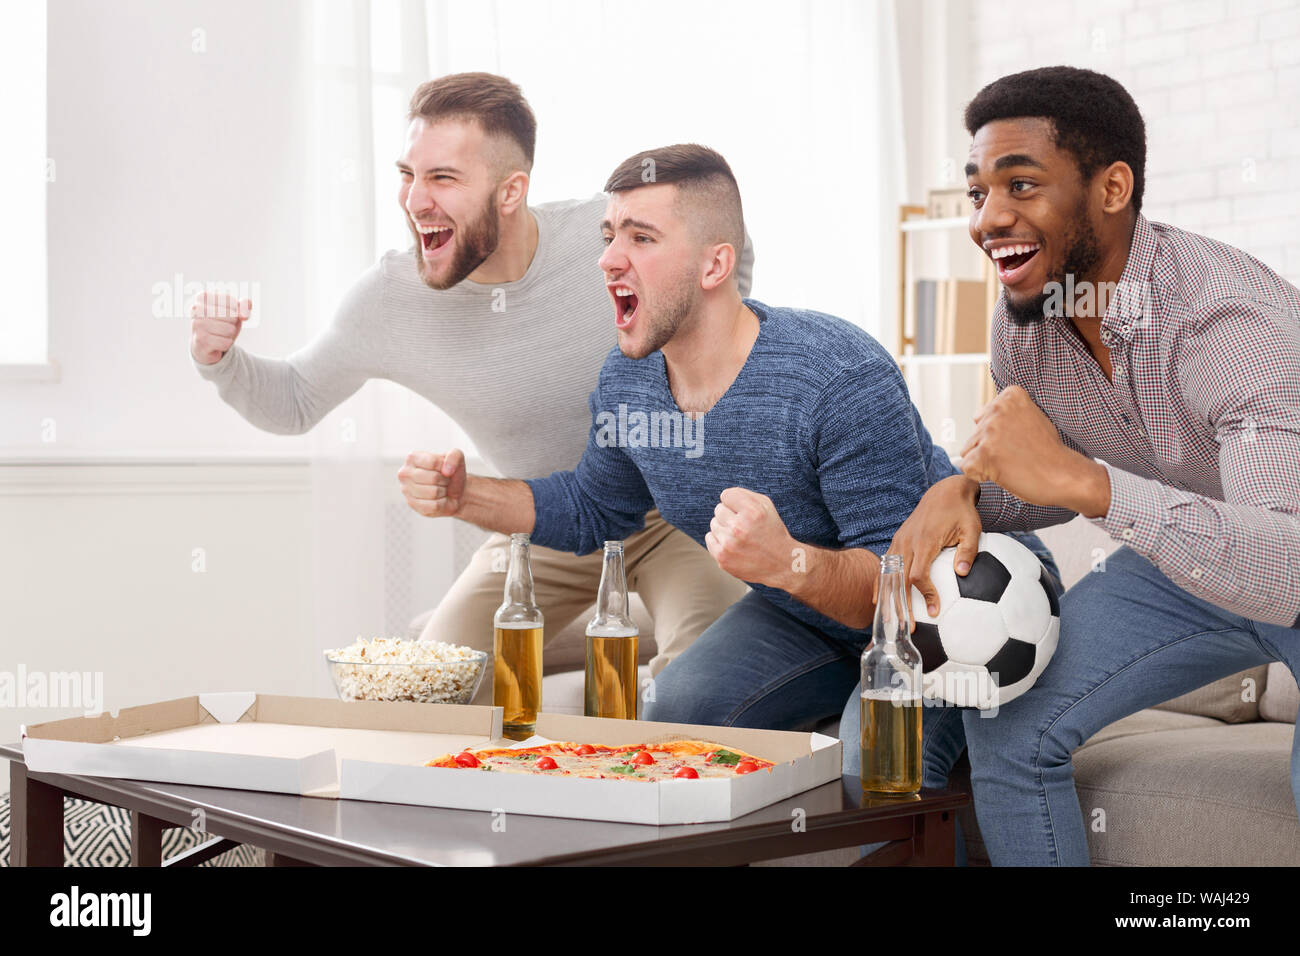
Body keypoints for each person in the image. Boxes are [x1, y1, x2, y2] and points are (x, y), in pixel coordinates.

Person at [398, 143, 1057, 737]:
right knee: (678, 716)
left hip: (941, 609)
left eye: (642, 237)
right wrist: (466, 495)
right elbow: (595, 510)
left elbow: (889, 579)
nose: (608, 259)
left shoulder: (836, 375)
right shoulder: (629, 379)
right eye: (608, 236)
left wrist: (787, 561)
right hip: (805, 616)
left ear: (716, 265)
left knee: (873, 761)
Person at [189, 73, 754, 701]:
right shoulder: (390, 300)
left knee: (702, 693)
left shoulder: (610, 240)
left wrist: (700, 352)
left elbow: (725, 249)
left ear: (511, 191)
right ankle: (618, 622)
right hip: (543, 525)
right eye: (409, 174)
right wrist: (222, 358)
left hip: (672, 515)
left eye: (443, 178)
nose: (414, 200)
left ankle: (642, 620)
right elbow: (292, 401)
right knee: (424, 690)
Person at [885, 65, 1300, 866]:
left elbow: (1284, 571)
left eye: (1023, 185)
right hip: (1189, 569)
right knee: (1009, 722)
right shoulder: (1026, 324)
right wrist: (965, 488)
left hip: (1287, 557)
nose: (990, 219)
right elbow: (1040, 486)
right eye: (978, 193)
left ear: (1113, 188)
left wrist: (1091, 485)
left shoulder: (1228, 321)